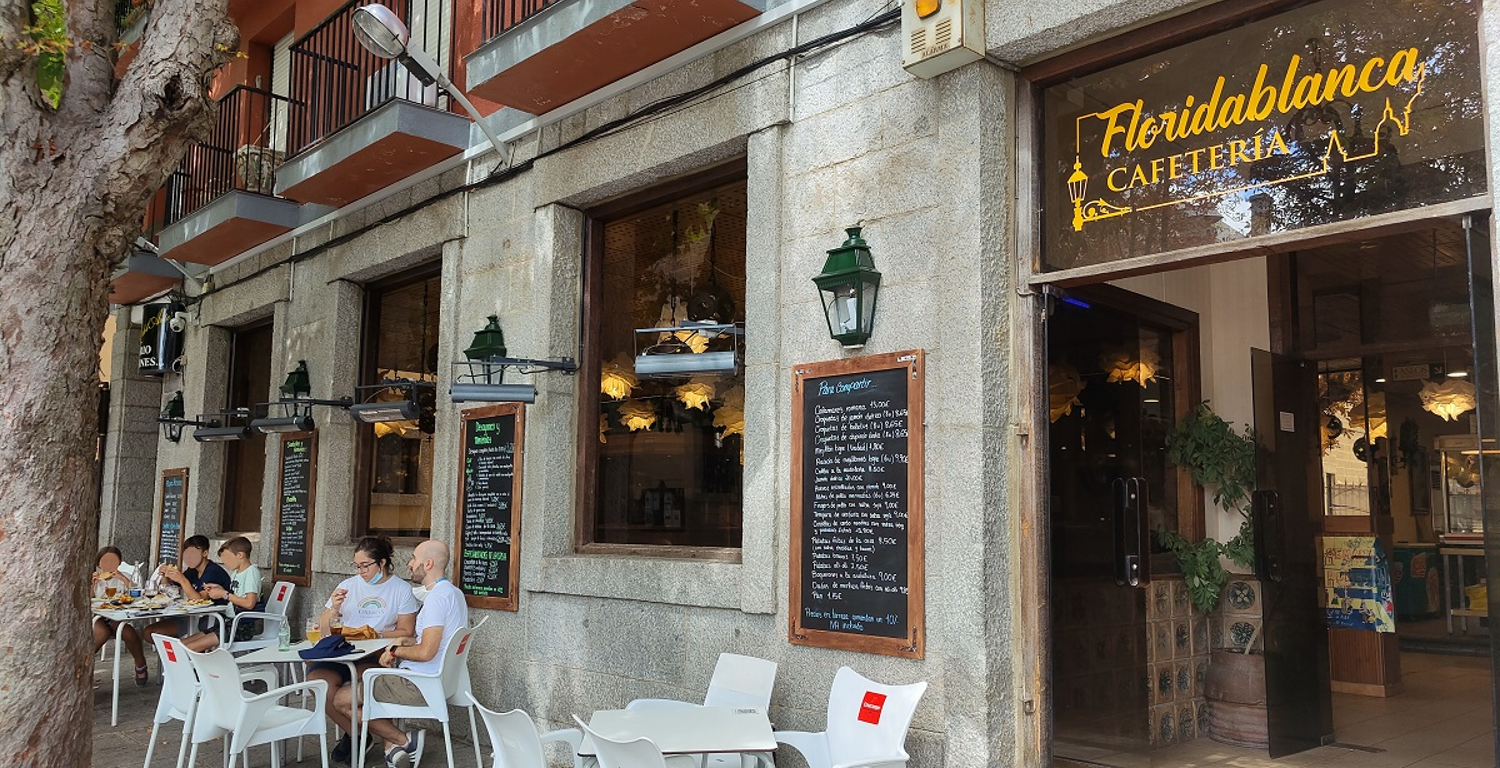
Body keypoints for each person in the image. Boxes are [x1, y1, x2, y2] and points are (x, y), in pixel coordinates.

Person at [334, 540, 467, 768]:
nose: (409, 563)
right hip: (443, 681)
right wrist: (405, 641)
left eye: (414, 558)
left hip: (419, 684)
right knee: (360, 688)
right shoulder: (453, 593)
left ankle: (403, 740)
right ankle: (393, 746)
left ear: (428, 563)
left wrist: (395, 650)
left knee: (341, 700)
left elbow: (426, 652)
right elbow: (433, 642)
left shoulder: (436, 599)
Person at [317, 536, 418, 765]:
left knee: (368, 683)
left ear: (382, 563)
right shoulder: (347, 587)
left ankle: (387, 740)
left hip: (374, 654)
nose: (360, 571)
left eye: (365, 565)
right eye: (357, 566)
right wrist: (333, 608)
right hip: (341, 651)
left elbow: (407, 631)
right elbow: (323, 628)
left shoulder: (401, 589)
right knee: (318, 682)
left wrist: (373, 633)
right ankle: (357, 734)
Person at [141, 534, 234, 646]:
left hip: (211, 619)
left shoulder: (213, 572)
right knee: (149, 633)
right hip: (190, 616)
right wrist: (165, 575)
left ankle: (178, 658)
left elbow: (199, 600)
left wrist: (182, 579)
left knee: (157, 634)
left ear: (205, 553)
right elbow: (168, 590)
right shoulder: (192, 571)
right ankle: (170, 659)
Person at [179, 536, 261, 652]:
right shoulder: (236, 573)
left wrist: (224, 594)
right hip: (228, 622)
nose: (224, 562)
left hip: (241, 626)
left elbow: (249, 603)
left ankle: (200, 669)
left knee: (189, 648)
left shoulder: (251, 572)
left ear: (240, 555)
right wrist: (218, 589)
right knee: (181, 645)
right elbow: (235, 595)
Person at [91, 546, 150, 685]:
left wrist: (122, 578)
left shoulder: (124, 577)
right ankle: (81, 666)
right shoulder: (94, 578)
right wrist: (91, 585)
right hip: (97, 616)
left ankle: (140, 664)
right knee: (101, 633)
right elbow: (87, 599)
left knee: (129, 633)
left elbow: (137, 592)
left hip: (117, 615)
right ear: (99, 563)